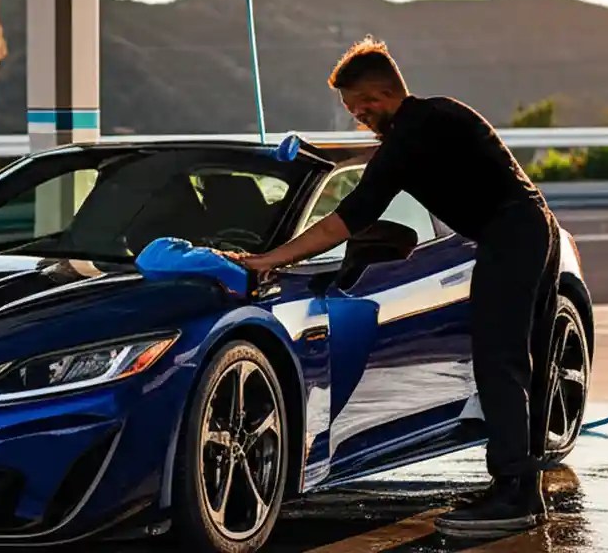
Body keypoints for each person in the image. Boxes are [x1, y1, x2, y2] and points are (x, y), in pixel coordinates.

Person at [226, 36, 561, 535]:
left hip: (510, 236)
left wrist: (267, 260)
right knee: (522, 363)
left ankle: (512, 494)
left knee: (500, 363)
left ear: (378, 96)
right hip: (536, 227)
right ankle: (523, 490)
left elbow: (349, 218)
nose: (358, 117)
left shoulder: (409, 136)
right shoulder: (437, 116)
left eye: (358, 108)